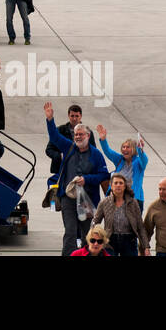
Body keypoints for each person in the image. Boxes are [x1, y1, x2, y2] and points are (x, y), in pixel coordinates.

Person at [44, 101, 109, 256]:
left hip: (87, 199)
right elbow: (54, 136)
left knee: (88, 233)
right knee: (70, 231)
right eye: (76, 134)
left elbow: (103, 175)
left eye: (81, 134)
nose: (78, 136)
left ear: (88, 136)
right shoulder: (68, 147)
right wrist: (50, 120)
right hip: (68, 198)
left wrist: (87, 179)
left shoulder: (96, 154)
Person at [43, 104, 95, 207]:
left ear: (81, 117)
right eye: (72, 116)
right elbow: (49, 149)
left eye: (77, 116)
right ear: (68, 116)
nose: (74, 118)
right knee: (53, 184)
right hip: (62, 169)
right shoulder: (61, 130)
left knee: (77, 197)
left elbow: (93, 150)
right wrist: (60, 156)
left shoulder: (88, 132)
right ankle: (54, 205)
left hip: (80, 170)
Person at [93, 173, 148, 256]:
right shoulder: (104, 203)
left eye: (121, 183)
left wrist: (146, 247)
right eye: (115, 183)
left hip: (129, 240)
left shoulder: (133, 203)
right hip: (110, 241)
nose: (118, 185)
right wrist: (93, 240)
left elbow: (140, 226)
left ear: (125, 186)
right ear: (111, 186)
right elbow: (95, 222)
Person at [96, 125, 149, 201]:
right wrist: (103, 139)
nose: (125, 149)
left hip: (133, 199)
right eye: (123, 147)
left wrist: (140, 150)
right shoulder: (119, 159)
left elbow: (144, 160)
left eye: (128, 147)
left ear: (134, 149)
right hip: (117, 197)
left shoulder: (138, 162)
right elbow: (108, 152)